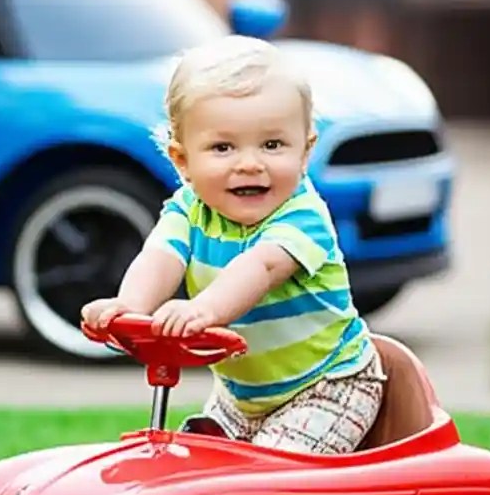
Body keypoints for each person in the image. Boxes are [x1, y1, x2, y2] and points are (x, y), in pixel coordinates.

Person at [80, 35, 385, 454]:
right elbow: (161, 255)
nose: (249, 163)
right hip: (241, 397)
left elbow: (259, 268)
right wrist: (129, 306)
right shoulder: (189, 209)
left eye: (273, 144)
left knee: (270, 475)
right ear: (182, 160)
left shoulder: (302, 217)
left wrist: (202, 310)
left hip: (329, 385)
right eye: (223, 147)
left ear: (305, 150)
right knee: (191, 464)